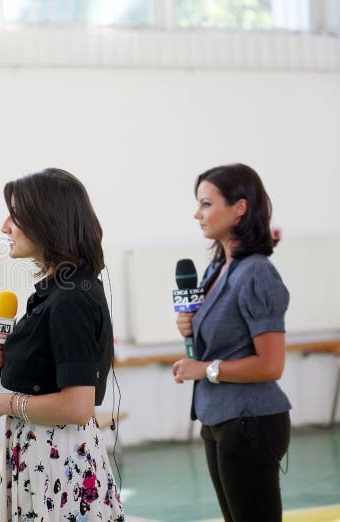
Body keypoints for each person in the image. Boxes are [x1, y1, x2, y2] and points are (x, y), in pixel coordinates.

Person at [0, 168, 124, 521]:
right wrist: (5, 358)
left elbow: (77, 406)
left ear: (46, 221)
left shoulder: (72, 298)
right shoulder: (56, 292)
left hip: (59, 465)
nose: (5, 226)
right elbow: (48, 373)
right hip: (41, 459)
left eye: (15, 215)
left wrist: (4, 402)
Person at [171, 163, 290, 522]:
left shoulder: (256, 272)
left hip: (250, 422)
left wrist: (204, 368)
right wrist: (189, 326)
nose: (197, 214)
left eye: (206, 204)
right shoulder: (217, 268)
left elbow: (271, 365)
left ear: (239, 207)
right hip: (219, 418)